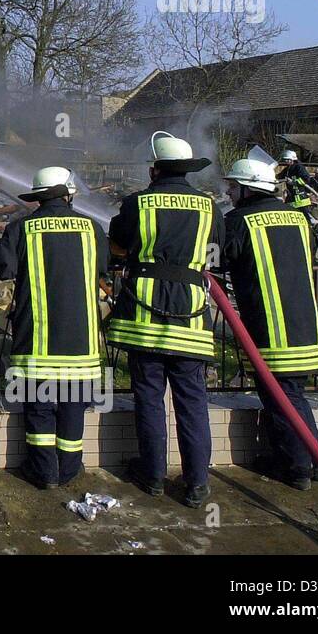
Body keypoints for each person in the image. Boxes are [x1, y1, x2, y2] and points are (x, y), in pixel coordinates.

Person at [106, 131, 222, 507]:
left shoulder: (138, 203)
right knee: (192, 401)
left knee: (150, 397)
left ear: (154, 170)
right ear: (187, 171)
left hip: (145, 315)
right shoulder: (209, 207)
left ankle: (153, 475)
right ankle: (197, 483)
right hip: (190, 315)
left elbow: (119, 244)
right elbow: (215, 252)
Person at [0, 167, 108, 489]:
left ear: (39, 198)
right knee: (72, 407)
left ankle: (44, 474)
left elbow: (2, 267)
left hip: (37, 342)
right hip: (81, 343)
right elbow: (104, 265)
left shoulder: (23, 227)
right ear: (67, 195)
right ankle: (69, 469)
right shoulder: (91, 228)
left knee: (38, 409)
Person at [220, 156, 318, 490]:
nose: (230, 193)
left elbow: (221, 258)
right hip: (305, 324)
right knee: (294, 394)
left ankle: (297, 468)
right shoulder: (299, 218)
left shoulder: (239, 220)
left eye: (233, 187)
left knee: (282, 399)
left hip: (271, 327)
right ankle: (315, 462)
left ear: (248, 189)